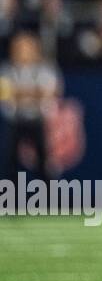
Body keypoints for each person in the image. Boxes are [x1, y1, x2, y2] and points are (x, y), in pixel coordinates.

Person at [0, 32, 62, 182]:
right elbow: (6, 95)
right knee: (8, 160)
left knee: (44, 162)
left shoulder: (46, 68)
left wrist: (21, 92)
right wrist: (34, 92)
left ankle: (50, 198)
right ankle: (8, 198)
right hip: (14, 120)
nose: (25, 51)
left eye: (29, 47)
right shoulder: (7, 70)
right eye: (22, 47)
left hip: (37, 119)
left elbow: (52, 91)